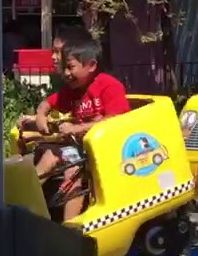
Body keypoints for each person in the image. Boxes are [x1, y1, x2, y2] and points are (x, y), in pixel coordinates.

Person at [21, 37, 131, 220]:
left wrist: (77, 128)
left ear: (91, 65)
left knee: (72, 171)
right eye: (63, 67)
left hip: (106, 151)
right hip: (81, 149)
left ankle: (70, 225)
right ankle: (25, 202)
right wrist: (40, 115)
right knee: (50, 154)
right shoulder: (74, 90)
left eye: (70, 67)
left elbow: (117, 120)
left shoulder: (109, 86)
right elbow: (48, 102)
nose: (65, 73)